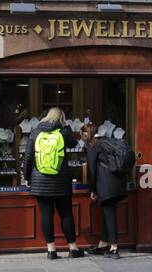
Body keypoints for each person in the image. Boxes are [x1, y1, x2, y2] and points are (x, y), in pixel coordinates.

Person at [24, 108, 83, 260]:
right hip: (60, 179)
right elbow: (74, 143)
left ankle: (51, 250)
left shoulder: (36, 131)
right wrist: (66, 125)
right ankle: (73, 248)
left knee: (45, 214)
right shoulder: (63, 132)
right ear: (61, 118)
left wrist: (27, 177)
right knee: (66, 214)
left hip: (40, 179)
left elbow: (29, 156)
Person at [84, 122, 130, 259]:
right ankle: (103, 244)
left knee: (109, 214)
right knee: (107, 212)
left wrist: (92, 189)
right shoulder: (105, 141)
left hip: (106, 185)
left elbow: (92, 170)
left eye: (82, 135)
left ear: (87, 134)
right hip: (118, 182)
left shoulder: (93, 146)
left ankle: (114, 248)